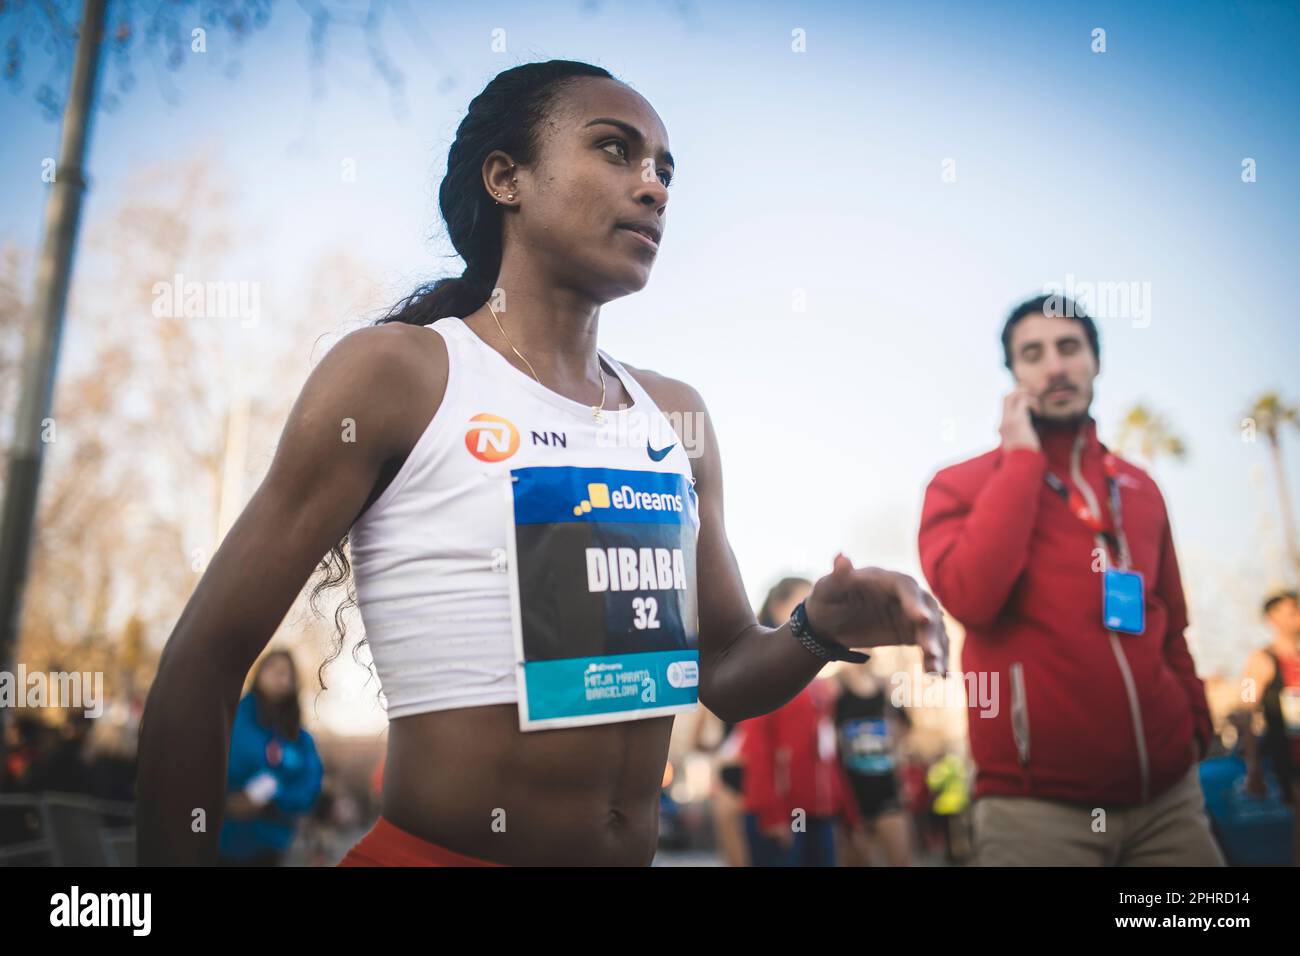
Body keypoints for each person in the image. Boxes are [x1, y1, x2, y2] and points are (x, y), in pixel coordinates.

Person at [135, 60, 948, 867]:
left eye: (665, 170)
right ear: (506, 179)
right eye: (616, 150)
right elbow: (205, 660)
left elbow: (729, 668)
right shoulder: (398, 375)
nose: (655, 188)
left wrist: (818, 628)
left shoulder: (676, 415)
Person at [917, 293, 1223, 866]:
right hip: (1034, 809)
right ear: (1013, 374)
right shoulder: (958, 485)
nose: (1055, 367)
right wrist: (1022, 461)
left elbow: (1172, 625)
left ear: (1095, 362)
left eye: (1069, 348)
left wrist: (1195, 729)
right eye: (1033, 354)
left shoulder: (1140, 486)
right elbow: (971, 598)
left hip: (1168, 801)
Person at [740, 579, 861, 866]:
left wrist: (848, 813)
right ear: (778, 608)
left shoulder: (818, 680)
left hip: (820, 812)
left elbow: (827, 753)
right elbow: (756, 747)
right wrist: (772, 815)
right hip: (789, 813)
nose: (814, 613)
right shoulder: (765, 669)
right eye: (803, 604)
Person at [217, 650, 323, 866]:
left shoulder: (299, 739)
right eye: (273, 668)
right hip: (221, 840)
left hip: (270, 846)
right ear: (259, 673)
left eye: (286, 673)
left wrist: (272, 802)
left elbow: (309, 784)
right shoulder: (231, 719)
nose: (279, 676)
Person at [1232, 589, 1300, 865]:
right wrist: (1253, 765)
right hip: (1290, 762)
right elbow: (1245, 710)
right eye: (1292, 611)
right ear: (1273, 619)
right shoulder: (1260, 661)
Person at [827, 661, 913, 865]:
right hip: (851, 792)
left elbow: (906, 725)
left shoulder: (886, 687)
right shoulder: (836, 688)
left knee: (900, 858)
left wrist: (891, 740)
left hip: (886, 787)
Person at [690, 703, 750, 866]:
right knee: (733, 849)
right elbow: (698, 742)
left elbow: (698, 742)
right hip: (731, 779)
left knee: (741, 849)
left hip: (742, 776)